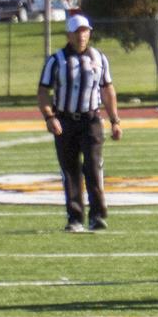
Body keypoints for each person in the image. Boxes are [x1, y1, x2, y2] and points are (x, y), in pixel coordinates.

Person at [36, 15, 121, 233]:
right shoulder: (56, 61)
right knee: (70, 170)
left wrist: (115, 120)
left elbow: (107, 89)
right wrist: (49, 116)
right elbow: (43, 91)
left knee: (93, 167)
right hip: (65, 120)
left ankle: (97, 216)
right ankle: (74, 218)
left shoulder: (99, 58)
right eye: (77, 31)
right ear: (68, 35)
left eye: (85, 31)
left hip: (91, 119)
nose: (82, 35)